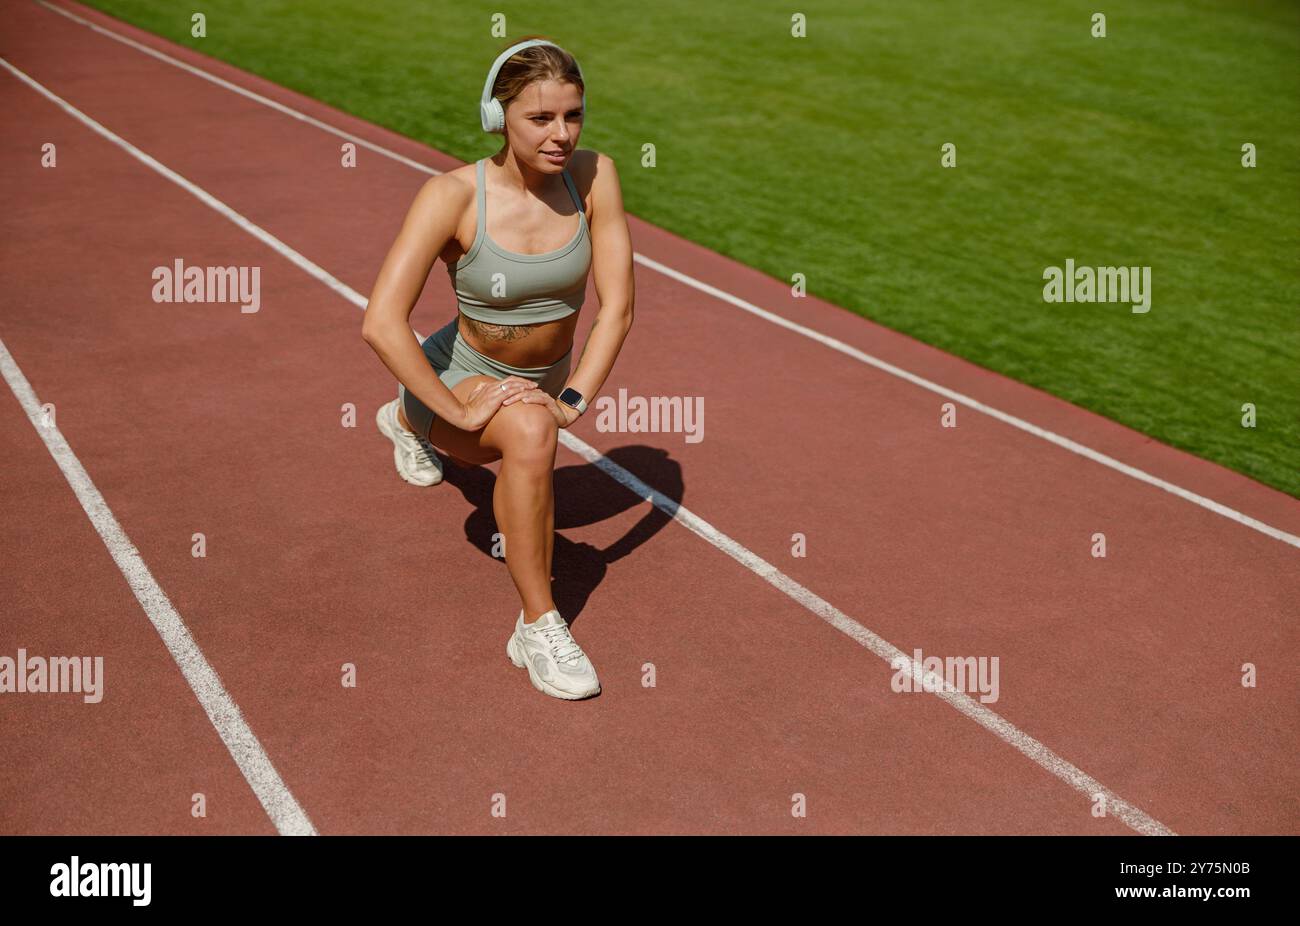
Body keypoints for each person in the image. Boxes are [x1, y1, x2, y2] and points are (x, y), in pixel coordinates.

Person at [361, 38, 635, 700]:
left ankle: (401, 418)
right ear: (498, 117)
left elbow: (618, 307)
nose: (561, 134)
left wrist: (571, 397)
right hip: (458, 384)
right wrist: (455, 411)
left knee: (538, 426)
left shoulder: (596, 176)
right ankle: (537, 626)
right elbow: (380, 321)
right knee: (532, 434)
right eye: (540, 119)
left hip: (535, 391)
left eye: (573, 116)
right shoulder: (451, 196)